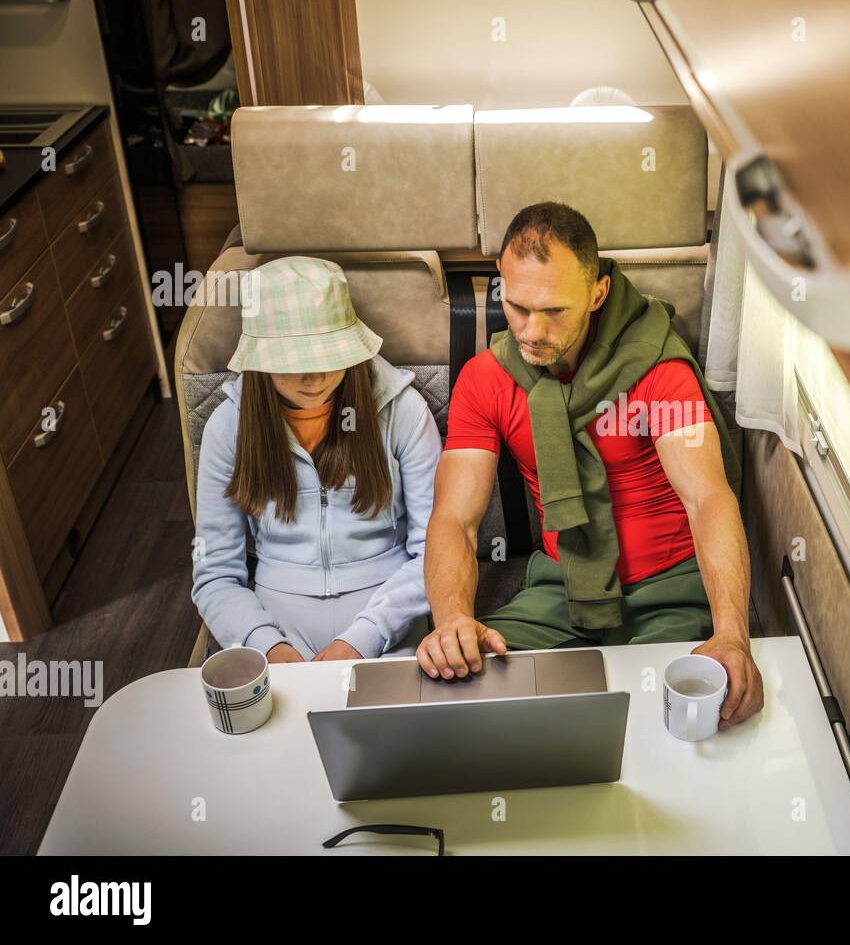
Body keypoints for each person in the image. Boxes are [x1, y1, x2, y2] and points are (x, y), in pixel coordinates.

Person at [419, 202, 763, 730]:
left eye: (555, 310)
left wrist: (731, 635)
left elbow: (709, 499)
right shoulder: (486, 378)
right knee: (467, 695)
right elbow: (455, 520)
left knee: (673, 722)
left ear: (598, 293)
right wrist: (453, 621)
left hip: (669, 591)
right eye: (517, 308)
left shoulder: (658, 369)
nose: (531, 331)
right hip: (561, 588)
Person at [192, 256, 442, 663]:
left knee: (391, 724)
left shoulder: (404, 411)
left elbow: (435, 550)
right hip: (273, 620)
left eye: (328, 356)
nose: (314, 378)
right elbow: (214, 573)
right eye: (293, 364)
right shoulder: (227, 427)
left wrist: (364, 638)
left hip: (389, 616)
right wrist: (266, 644)